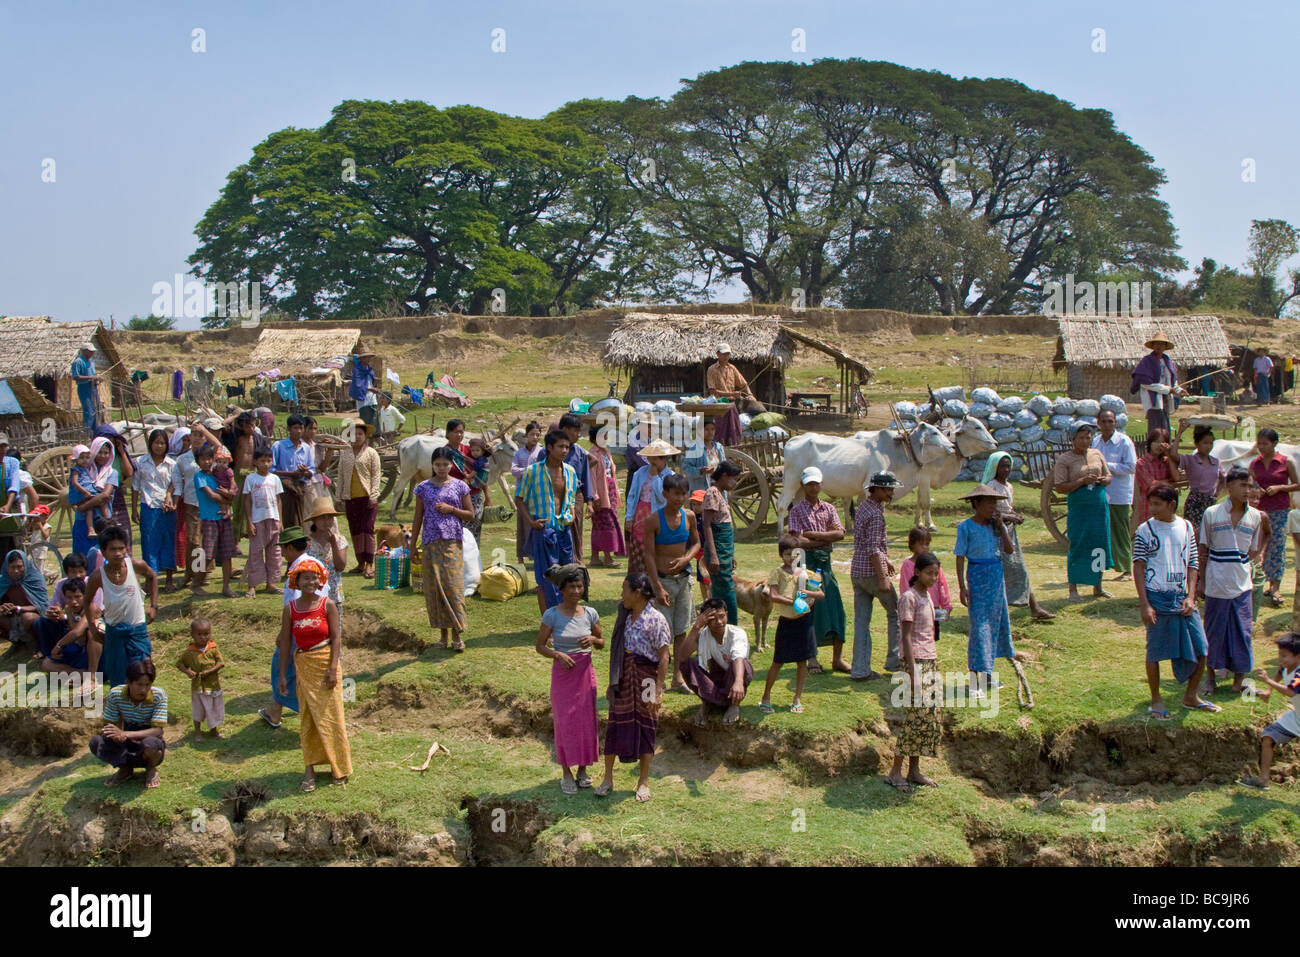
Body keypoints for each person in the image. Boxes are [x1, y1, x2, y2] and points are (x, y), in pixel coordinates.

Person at [1134, 482, 1218, 718]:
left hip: (1182, 599)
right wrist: (1145, 604)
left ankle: (1191, 696)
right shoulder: (1144, 530)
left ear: (1172, 505)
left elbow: (1192, 562)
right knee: (1155, 652)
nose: (1152, 508)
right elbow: (1138, 567)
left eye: (1157, 504)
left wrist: (1191, 596)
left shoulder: (1186, 526)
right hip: (1157, 597)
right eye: (1150, 503)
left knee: (1201, 649)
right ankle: (1156, 699)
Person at [595, 574, 672, 802]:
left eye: (624, 589)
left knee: (647, 725)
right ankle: (608, 779)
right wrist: (612, 682)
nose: (621, 595)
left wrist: (658, 689)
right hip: (623, 676)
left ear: (637, 593)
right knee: (615, 725)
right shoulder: (625, 616)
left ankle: (643, 782)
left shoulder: (656, 619)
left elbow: (664, 656)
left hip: (647, 677)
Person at [276, 556, 351, 791]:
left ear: (320, 582)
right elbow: (285, 643)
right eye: (305, 578)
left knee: (332, 717)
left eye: (314, 578)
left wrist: (332, 669)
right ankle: (309, 771)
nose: (310, 581)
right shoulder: (290, 609)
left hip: (325, 663)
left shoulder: (327, 605)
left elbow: (337, 638)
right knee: (308, 719)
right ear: (296, 582)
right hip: (303, 666)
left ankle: (338, 768)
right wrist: (281, 676)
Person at [1197, 466, 1266, 696]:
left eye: (1250, 485)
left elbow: (1254, 550)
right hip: (1216, 583)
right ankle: (1210, 679)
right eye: (1243, 485)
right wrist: (1201, 582)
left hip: (1242, 585)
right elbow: (1203, 549)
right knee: (1214, 632)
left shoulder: (1255, 516)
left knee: (1242, 633)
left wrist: (1244, 566)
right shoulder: (1212, 513)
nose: (1247, 490)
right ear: (1229, 486)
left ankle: (1239, 681)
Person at [535, 568, 603, 794]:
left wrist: (593, 639)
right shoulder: (552, 615)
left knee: (586, 721)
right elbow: (540, 646)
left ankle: (583, 770)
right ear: (561, 589)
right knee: (565, 723)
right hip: (563, 674)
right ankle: (566, 772)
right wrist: (557, 654)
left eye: (580, 586)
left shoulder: (590, 613)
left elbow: (602, 642)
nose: (576, 591)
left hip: (585, 672)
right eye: (572, 587)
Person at [69, 525, 157, 689]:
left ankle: (142, 710)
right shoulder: (98, 576)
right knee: (118, 677)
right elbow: (87, 600)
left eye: (121, 548)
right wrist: (93, 629)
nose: (118, 553)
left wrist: (153, 606)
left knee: (143, 672)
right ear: (103, 552)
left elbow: (152, 576)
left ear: (126, 548)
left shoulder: (135, 565)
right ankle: (121, 710)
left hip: (137, 630)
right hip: (114, 632)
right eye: (112, 549)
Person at [886, 551, 944, 792]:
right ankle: (894, 772)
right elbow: (906, 637)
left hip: (930, 660)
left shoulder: (927, 596)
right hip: (915, 662)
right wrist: (913, 672)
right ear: (917, 572)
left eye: (936, 574)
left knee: (927, 719)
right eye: (929, 573)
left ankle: (914, 770)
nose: (933, 578)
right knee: (914, 719)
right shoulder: (909, 598)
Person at [954, 484, 1017, 698]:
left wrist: (1001, 525)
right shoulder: (965, 527)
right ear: (976, 504)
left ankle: (987, 675)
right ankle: (974, 679)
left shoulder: (995, 527)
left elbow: (1009, 550)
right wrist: (962, 587)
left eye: (995, 502)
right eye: (989, 502)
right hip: (978, 577)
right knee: (979, 628)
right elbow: (960, 556)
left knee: (995, 625)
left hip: (996, 578)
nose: (993, 506)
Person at [786, 466, 849, 673]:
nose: (814, 487)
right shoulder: (796, 510)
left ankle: (837, 658)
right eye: (810, 484)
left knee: (835, 608)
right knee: (809, 609)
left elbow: (840, 533)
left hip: (825, 564)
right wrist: (823, 539)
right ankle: (811, 657)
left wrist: (814, 535)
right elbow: (796, 541)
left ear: (821, 485)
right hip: (807, 565)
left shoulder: (829, 508)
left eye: (817, 483)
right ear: (803, 485)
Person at [643, 472, 700, 694]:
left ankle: (677, 677)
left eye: (683, 494)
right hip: (662, 581)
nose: (679, 498)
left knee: (680, 631)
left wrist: (686, 558)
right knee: (661, 633)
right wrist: (656, 587)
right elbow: (648, 555)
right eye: (675, 494)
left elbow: (696, 544)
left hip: (683, 581)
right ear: (665, 494)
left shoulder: (689, 517)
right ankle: (658, 679)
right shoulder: (653, 520)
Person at [413, 446, 472, 650]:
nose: (441, 468)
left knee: (452, 587)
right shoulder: (422, 487)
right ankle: (443, 637)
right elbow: (418, 517)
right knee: (435, 589)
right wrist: (413, 546)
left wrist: (452, 510)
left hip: (452, 542)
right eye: (437, 464)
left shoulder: (460, 486)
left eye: (445, 464)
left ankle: (457, 636)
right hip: (430, 542)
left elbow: (470, 514)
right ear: (432, 465)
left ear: (451, 465)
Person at [983, 452, 1055, 620]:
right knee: (1007, 570)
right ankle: (1023, 607)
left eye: (1008, 466)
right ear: (994, 467)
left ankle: (1033, 607)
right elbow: (989, 511)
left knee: (1019, 568)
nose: (1006, 470)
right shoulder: (991, 486)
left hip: (1009, 531)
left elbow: (1008, 507)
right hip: (996, 532)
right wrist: (1008, 517)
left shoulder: (1008, 486)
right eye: (1002, 466)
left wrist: (1016, 515)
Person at [758, 534, 823, 714]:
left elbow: (820, 594)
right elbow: (773, 595)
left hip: (804, 621)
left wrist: (807, 593)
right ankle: (766, 697)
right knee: (778, 661)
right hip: (786, 622)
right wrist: (792, 602)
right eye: (787, 554)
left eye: (795, 555)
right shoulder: (777, 573)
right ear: (781, 555)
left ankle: (797, 698)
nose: (791, 558)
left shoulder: (805, 574)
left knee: (802, 661)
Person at [517, 430, 579, 613]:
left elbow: (572, 497)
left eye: (567, 447)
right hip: (543, 529)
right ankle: (549, 622)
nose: (564, 450)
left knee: (568, 576)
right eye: (560, 446)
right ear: (550, 448)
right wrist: (531, 522)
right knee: (546, 578)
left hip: (564, 529)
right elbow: (520, 499)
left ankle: (566, 617)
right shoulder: (533, 471)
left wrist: (572, 513)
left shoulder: (570, 471)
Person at [850, 471, 903, 681]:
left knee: (861, 622)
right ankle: (894, 660)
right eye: (888, 489)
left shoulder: (864, 506)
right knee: (895, 612)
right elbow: (873, 548)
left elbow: (869, 543)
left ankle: (860, 670)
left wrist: (886, 558)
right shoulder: (876, 514)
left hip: (857, 571)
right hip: (872, 572)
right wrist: (882, 578)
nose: (891, 493)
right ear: (878, 489)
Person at [258, 526, 310, 730]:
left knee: (283, 667)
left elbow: (295, 604)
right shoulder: (313, 563)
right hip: (313, 625)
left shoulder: (298, 570)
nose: (282, 552)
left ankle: (300, 710)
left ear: (289, 548)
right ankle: (275, 710)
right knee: (292, 669)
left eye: (283, 548)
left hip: (300, 627)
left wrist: (284, 633)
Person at [1054, 423, 1113, 601]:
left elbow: (1109, 475)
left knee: (1099, 543)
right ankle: (1073, 588)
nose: (1085, 441)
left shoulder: (1097, 454)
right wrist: (1081, 481)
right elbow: (1059, 486)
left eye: (1088, 437)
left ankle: (1098, 586)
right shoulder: (1065, 459)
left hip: (1098, 504)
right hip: (1080, 506)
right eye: (1081, 437)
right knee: (1078, 543)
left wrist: (1103, 480)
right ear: (1073, 439)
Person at [88, 658, 168, 789]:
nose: (143, 689)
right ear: (128, 682)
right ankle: (125, 769)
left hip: (147, 738)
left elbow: (158, 730)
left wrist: (125, 734)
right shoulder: (116, 695)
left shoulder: (159, 695)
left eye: (147, 685)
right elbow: (110, 725)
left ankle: (151, 768)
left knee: (151, 744)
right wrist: (116, 735)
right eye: (139, 684)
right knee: (96, 742)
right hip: (126, 738)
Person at [1239, 633, 1300, 790]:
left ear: (1298, 657)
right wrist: (1268, 691)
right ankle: (1263, 779)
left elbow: (1290, 692)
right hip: (1297, 717)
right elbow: (1279, 673)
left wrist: (1267, 681)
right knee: (1269, 736)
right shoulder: (1286, 667)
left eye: (1284, 656)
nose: (1280, 659)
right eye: (1279, 654)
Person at [679, 597, 751, 727]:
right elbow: (682, 657)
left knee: (743, 665)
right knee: (687, 664)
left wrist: (739, 682)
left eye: (722, 616)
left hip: (733, 680)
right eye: (713, 619)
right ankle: (707, 703)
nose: (719, 622)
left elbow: (738, 658)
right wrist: (696, 627)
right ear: (705, 620)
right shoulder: (703, 635)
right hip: (717, 680)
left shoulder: (737, 633)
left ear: (726, 615)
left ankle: (734, 705)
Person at [1250, 427, 1298, 607]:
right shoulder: (1255, 463)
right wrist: (1256, 490)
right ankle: (1256, 582)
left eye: (1265, 443)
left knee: (1277, 546)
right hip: (1259, 509)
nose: (1261, 447)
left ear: (1274, 443)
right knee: (1256, 545)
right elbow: (1250, 482)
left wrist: (1280, 488)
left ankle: (1275, 586)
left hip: (1279, 510)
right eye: (1259, 443)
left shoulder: (1286, 462)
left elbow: (1297, 484)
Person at [1092, 409, 1136, 581]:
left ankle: (1126, 569)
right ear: (1099, 424)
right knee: (1101, 531)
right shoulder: (1096, 442)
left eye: (1111, 421)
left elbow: (1131, 467)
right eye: (1104, 421)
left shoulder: (1124, 442)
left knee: (1121, 531)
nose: (1108, 425)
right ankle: (1100, 567)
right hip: (1101, 493)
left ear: (1115, 423)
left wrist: (1106, 465)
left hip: (1119, 494)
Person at [624, 439, 679, 578]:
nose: (651, 462)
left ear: (663, 459)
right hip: (641, 514)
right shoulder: (640, 473)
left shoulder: (670, 476)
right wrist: (629, 518)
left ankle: (654, 581)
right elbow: (632, 496)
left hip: (659, 515)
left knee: (655, 546)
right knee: (639, 545)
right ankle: (636, 581)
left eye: (655, 459)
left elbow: (662, 497)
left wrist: (655, 478)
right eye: (650, 458)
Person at [131, 428, 177, 592]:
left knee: (168, 541)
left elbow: (175, 483)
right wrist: (134, 509)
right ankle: (152, 581)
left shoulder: (172, 464)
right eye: (156, 443)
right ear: (151, 444)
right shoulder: (141, 462)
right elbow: (135, 486)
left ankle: (169, 580)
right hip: (148, 506)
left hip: (166, 508)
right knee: (149, 543)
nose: (159, 446)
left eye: (162, 443)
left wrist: (169, 497)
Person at [339, 418, 382, 579]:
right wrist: (339, 497)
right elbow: (341, 475)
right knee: (355, 530)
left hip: (367, 497)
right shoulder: (345, 453)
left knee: (367, 529)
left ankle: (370, 563)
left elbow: (376, 475)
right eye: (353, 434)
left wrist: (374, 495)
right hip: (351, 498)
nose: (356, 437)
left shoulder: (371, 453)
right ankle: (360, 563)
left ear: (365, 436)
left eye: (359, 434)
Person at [701, 460, 742, 625]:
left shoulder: (720, 493)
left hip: (725, 549)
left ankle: (721, 623)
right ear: (724, 476)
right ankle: (728, 624)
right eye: (734, 479)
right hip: (717, 548)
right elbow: (707, 525)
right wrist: (714, 556)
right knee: (725, 588)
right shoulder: (712, 492)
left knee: (724, 586)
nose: (735, 483)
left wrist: (730, 555)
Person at [193, 444, 236, 598]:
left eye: (209, 459)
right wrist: (227, 501)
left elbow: (231, 491)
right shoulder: (199, 476)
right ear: (198, 461)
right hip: (209, 519)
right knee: (207, 554)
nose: (206, 462)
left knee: (227, 553)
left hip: (223, 518)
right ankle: (196, 583)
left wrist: (229, 497)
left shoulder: (217, 474)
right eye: (203, 459)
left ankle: (226, 586)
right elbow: (211, 495)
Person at [242, 446, 284, 597]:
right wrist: (249, 522)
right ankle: (252, 585)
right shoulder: (251, 479)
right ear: (255, 462)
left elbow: (278, 500)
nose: (266, 464)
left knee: (275, 553)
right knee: (256, 552)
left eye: (268, 460)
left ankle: (271, 583)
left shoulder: (275, 479)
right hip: (257, 520)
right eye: (262, 461)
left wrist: (280, 520)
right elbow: (247, 501)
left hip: (273, 518)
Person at [898, 527, 952, 641]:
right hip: (917, 608)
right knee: (916, 636)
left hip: (934, 606)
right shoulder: (907, 565)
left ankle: (930, 656)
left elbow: (941, 584)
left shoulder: (933, 563)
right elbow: (904, 587)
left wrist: (946, 605)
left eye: (927, 544)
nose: (925, 547)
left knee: (932, 636)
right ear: (912, 544)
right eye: (921, 544)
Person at [175, 618, 225, 738]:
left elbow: (221, 663)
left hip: (213, 685)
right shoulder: (190, 652)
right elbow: (179, 664)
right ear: (192, 635)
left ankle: (214, 730)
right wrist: (188, 672)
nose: (203, 637)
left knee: (213, 708)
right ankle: (198, 732)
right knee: (198, 709)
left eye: (206, 633)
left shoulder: (213, 648)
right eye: (199, 634)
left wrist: (210, 671)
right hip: (198, 687)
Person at [1130, 330, 1186, 435]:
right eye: (1156, 343)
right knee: (1156, 430)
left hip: (1166, 400)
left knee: (1165, 428)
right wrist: (1167, 389)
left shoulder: (1167, 361)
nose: (1159, 346)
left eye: (1161, 344)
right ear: (1153, 346)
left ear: (1165, 346)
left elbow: (1172, 382)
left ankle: (1166, 448)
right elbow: (1144, 383)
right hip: (1154, 400)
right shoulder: (1147, 361)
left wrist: (1179, 390)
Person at [36, 576, 93, 679]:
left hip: (91, 653)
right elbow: (73, 630)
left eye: (77, 596)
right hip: (76, 649)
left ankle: (87, 674)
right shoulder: (68, 609)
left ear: (85, 596)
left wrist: (58, 646)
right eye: (69, 598)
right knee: (46, 664)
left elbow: (77, 632)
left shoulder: (91, 608)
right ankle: (80, 674)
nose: (73, 601)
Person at [586, 424, 626, 567]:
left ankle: (595, 557)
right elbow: (590, 476)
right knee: (604, 524)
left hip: (610, 491)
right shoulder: (593, 454)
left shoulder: (606, 452)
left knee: (600, 524)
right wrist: (594, 495)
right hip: (600, 493)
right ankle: (607, 558)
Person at [559, 413, 595, 563]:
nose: (579, 435)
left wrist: (590, 502)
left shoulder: (580, 451)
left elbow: (586, 477)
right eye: (576, 431)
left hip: (575, 495)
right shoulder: (547, 450)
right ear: (565, 430)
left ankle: (577, 563)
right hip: (555, 494)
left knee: (576, 527)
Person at [1175, 420, 1221, 535]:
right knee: (1193, 535)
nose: (1208, 446)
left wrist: (1217, 494)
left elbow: (1223, 478)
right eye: (1205, 443)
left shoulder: (1215, 462)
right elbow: (1173, 454)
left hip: (1209, 502)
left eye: (1211, 443)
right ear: (1197, 444)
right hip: (1194, 503)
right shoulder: (1190, 460)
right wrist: (1180, 433)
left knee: (1209, 536)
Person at [272, 414, 316, 529]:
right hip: (284, 487)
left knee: (300, 519)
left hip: (300, 487)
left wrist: (305, 472)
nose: (298, 431)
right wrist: (291, 474)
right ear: (288, 429)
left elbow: (312, 469)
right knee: (287, 518)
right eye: (295, 428)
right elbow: (271, 470)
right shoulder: (278, 446)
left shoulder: (305, 448)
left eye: (301, 428)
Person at [304, 497, 347, 608]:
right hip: (312, 595)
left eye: (330, 518)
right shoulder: (306, 543)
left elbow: (340, 566)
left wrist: (333, 544)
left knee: (335, 625)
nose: (327, 522)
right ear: (314, 520)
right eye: (322, 518)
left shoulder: (340, 540)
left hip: (334, 595)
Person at [0, 549, 48, 649]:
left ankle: (37, 643)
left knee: (28, 618)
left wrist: (19, 608)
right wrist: (3, 608)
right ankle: (17, 643)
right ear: (6, 567)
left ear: (25, 565)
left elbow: (42, 606)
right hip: (12, 617)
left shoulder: (35, 578)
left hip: (32, 615)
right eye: (12, 567)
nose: (15, 571)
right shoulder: (3, 581)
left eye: (19, 566)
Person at [1134, 429, 1181, 527]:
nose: (1159, 445)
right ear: (1150, 443)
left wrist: (1169, 454)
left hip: (1165, 509)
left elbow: (1176, 477)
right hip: (1148, 508)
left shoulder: (1166, 462)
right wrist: (1168, 483)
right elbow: (1152, 485)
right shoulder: (1142, 463)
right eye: (1156, 441)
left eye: (1163, 442)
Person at [511, 422, 543, 562]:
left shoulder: (542, 452)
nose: (535, 437)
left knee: (536, 524)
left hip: (537, 494)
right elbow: (513, 470)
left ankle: (536, 556)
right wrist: (529, 470)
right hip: (522, 494)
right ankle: (520, 558)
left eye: (537, 435)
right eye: (532, 434)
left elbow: (543, 469)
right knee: (522, 525)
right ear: (526, 435)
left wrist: (528, 471)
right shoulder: (519, 453)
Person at [705, 343, 764, 414]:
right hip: (718, 404)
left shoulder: (732, 368)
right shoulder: (711, 369)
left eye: (727, 354)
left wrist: (750, 394)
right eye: (723, 354)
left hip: (732, 404)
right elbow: (712, 391)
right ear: (717, 354)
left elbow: (744, 384)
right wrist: (732, 394)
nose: (726, 356)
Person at [69, 444, 112, 531]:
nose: (85, 460)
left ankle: (108, 521)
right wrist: (85, 492)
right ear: (76, 459)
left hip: (88, 491)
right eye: (82, 458)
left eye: (87, 457)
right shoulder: (76, 470)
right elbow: (75, 482)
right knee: (90, 508)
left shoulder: (88, 469)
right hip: (81, 493)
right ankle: (92, 528)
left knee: (101, 503)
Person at [682, 419, 726, 494]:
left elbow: (724, 465)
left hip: (718, 490)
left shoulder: (718, 448)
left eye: (712, 429)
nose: (710, 432)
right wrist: (701, 471)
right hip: (702, 491)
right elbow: (686, 468)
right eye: (706, 429)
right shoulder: (694, 449)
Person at [71, 342, 100, 433]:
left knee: (97, 410)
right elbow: (76, 376)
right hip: (84, 389)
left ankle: (96, 432)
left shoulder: (91, 363)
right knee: (89, 411)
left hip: (93, 389)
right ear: (84, 351)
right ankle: (87, 434)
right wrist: (91, 378)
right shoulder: (78, 362)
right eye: (90, 351)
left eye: (93, 351)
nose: (92, 353)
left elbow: (93, 375)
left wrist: (97, 379)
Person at [350, 349, 380, 426]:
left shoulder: (369, 370)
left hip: (372, 399)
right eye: (367, 357)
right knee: (366, 421)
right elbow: (357, 386)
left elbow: (370, 382)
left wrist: (375, 383)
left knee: (375, 420)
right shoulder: (357, 370)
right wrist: (370, 389)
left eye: (369, 357)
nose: (369, 359)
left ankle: (375, 436)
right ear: (362, 359)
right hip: (363, 400)